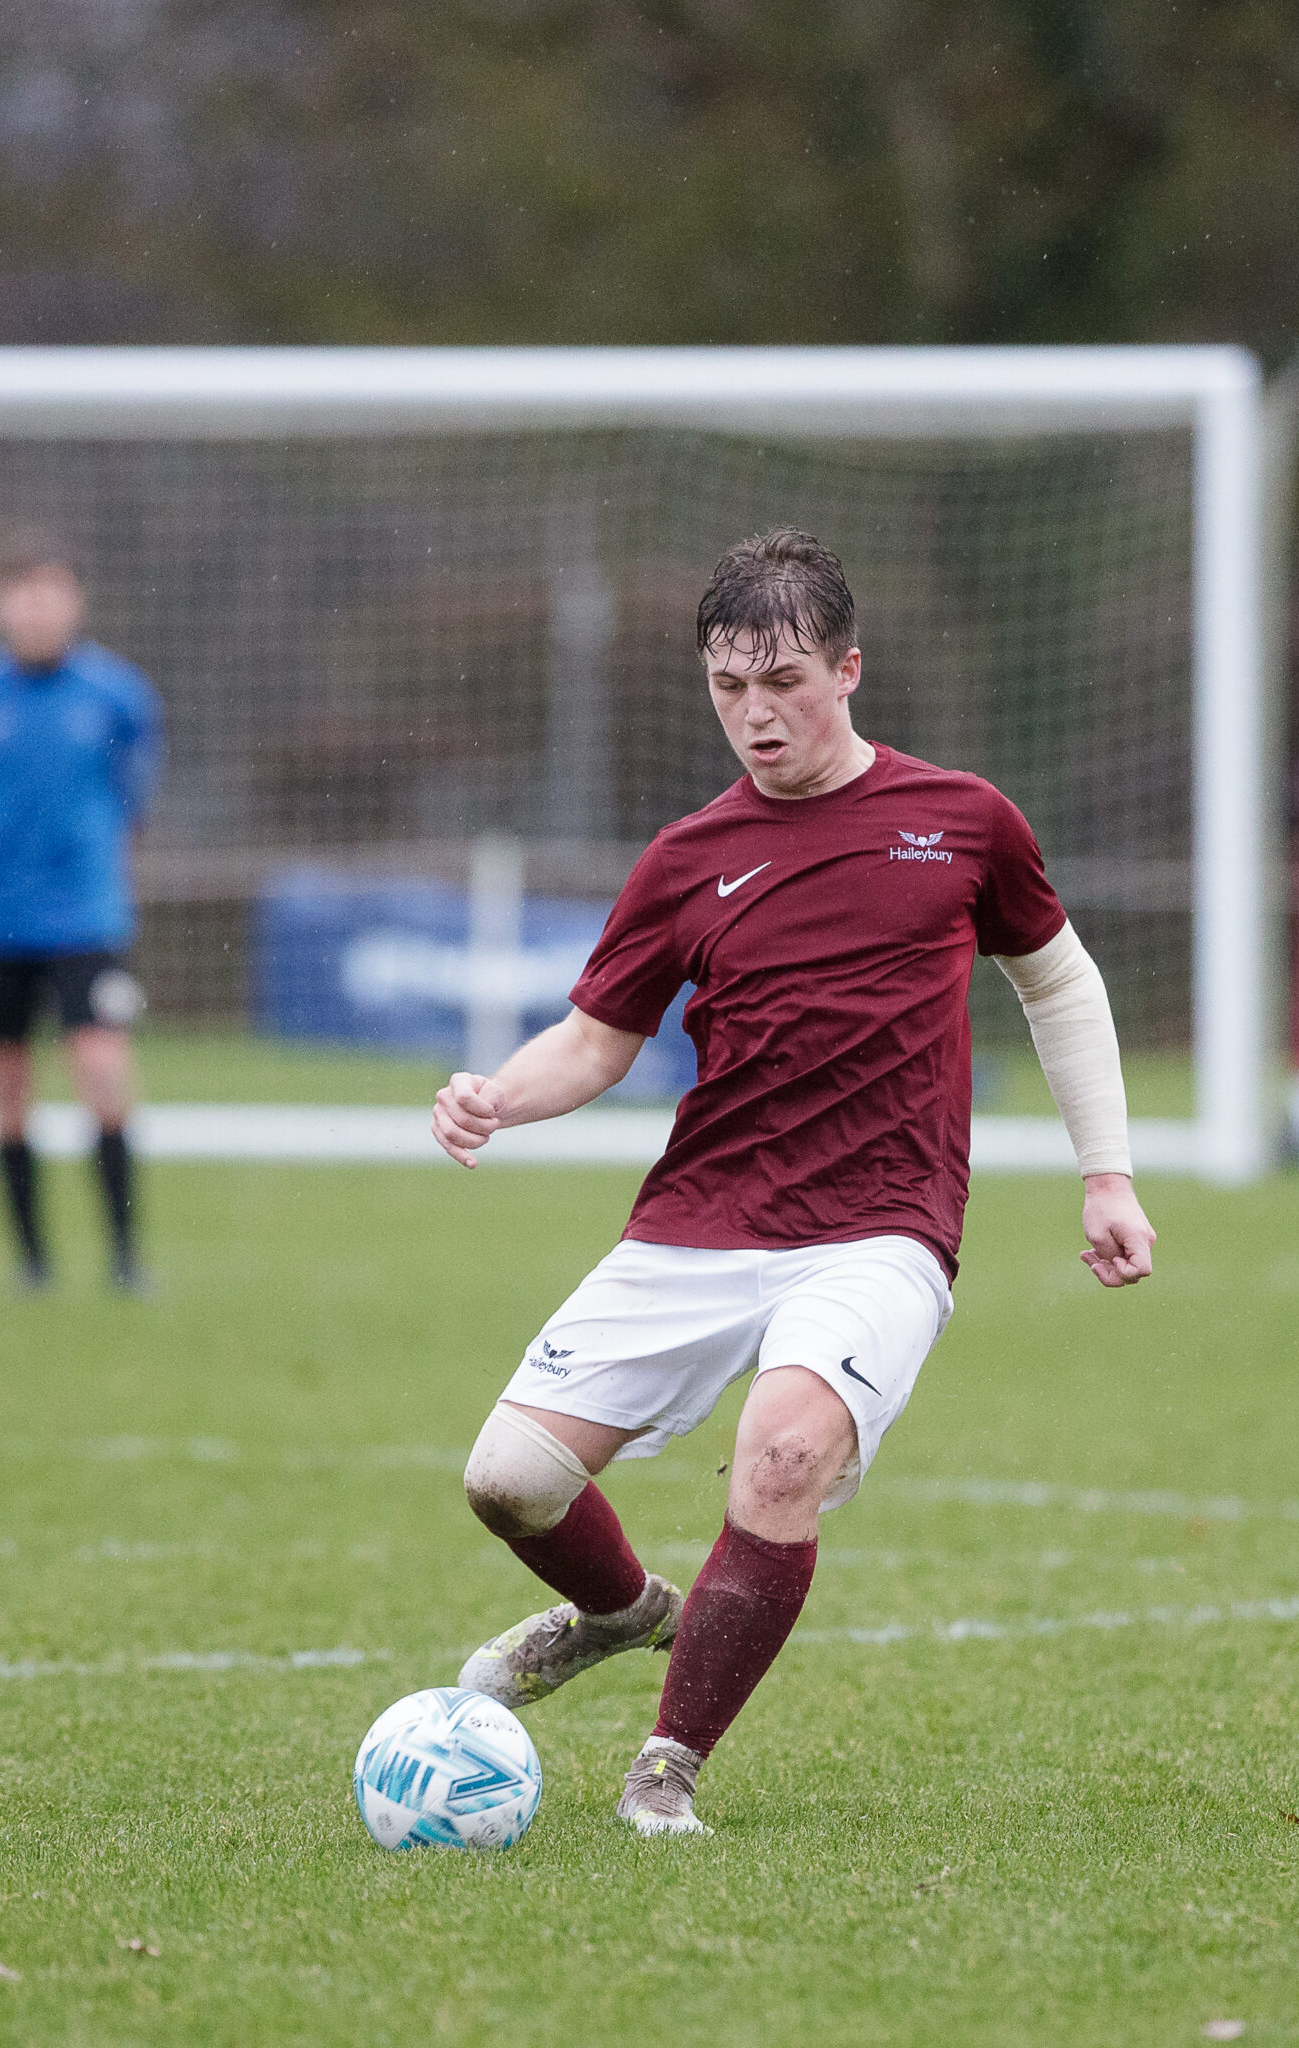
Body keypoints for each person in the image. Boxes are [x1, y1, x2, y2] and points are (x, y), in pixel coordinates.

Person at [434, 528, 1156, 1836]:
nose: (754, 717)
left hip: (880, 1231)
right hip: (702, 1218)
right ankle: (624, 1613)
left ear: (850, 669)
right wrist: (499, 1093)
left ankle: (668, 1768)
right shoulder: (684, 858)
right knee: (509, 1480)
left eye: (783, 683)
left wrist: (1107, 1177)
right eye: (728, 687)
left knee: (781, 1455)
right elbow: (598, 1040)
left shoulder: (964, 821)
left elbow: (1058, 982)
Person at [0, 531, 164, 1294]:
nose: (36, 608)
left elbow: (134, 799)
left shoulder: (119, 696)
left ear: (75, 601)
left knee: (101, 1067)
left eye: (50, 592)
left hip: (85, 919)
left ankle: (125, 1259)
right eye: (21, 593)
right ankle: (32, 1264)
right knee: (8, 1086)